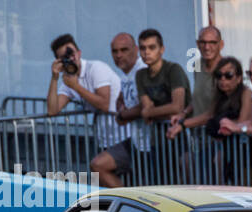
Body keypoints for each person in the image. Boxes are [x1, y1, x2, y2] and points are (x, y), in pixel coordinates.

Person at [46, 33, 122, 176]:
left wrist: (76, 87)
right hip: (104, 139)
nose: (71, 59)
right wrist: (55, 77)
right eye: (64, 57)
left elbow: (104, 104)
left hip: (125, 136)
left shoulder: (96, 68)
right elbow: (52, 110)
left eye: (71, 53)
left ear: (79, 53)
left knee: (102, 170)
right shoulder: (68, 80)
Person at [169, 56, 247, 183]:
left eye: (228, 75)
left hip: (243, 152)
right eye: (219, 75)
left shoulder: (246, 93)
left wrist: (231, 126)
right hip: (224, 148)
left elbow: (243, 121)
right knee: (189, 161)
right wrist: (181, 123)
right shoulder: (220, 96)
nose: (223, 79)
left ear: (239, 78)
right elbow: (208, 115)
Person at [90, 31, 148, 187]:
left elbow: (147, 105)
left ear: (136, 50)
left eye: (124, 50)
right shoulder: (124, 75)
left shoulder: (142, 70)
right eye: (115, 51)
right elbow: (122, 103)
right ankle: (127, 198)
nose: (119, 55)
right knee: (97, 165)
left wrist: (124, 115)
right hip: (135, 139)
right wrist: (121, 103)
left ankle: (131, 199)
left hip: (152, 141)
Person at [134, 28, 191, 176]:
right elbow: (146, 108)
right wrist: (151, 112)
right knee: (162, 180)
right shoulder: (140, 75)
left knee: (185, 180)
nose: (146, 52)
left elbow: (177, 107)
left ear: (162, 49)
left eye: (152, 47)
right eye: (143, 48)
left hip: (181, 135)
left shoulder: (173, 70)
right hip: (157, 138)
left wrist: (150, 113)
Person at [187, 26, 224, 122]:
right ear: (198, 44)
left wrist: (184, 124)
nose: (207, 47)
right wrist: (183, 113)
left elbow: (214, 112)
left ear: (221, 45)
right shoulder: (197, 65)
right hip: (197, 128)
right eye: (203, 42)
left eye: (212, 42)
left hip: (217, 128)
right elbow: (197, 98)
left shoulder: (226, 69)